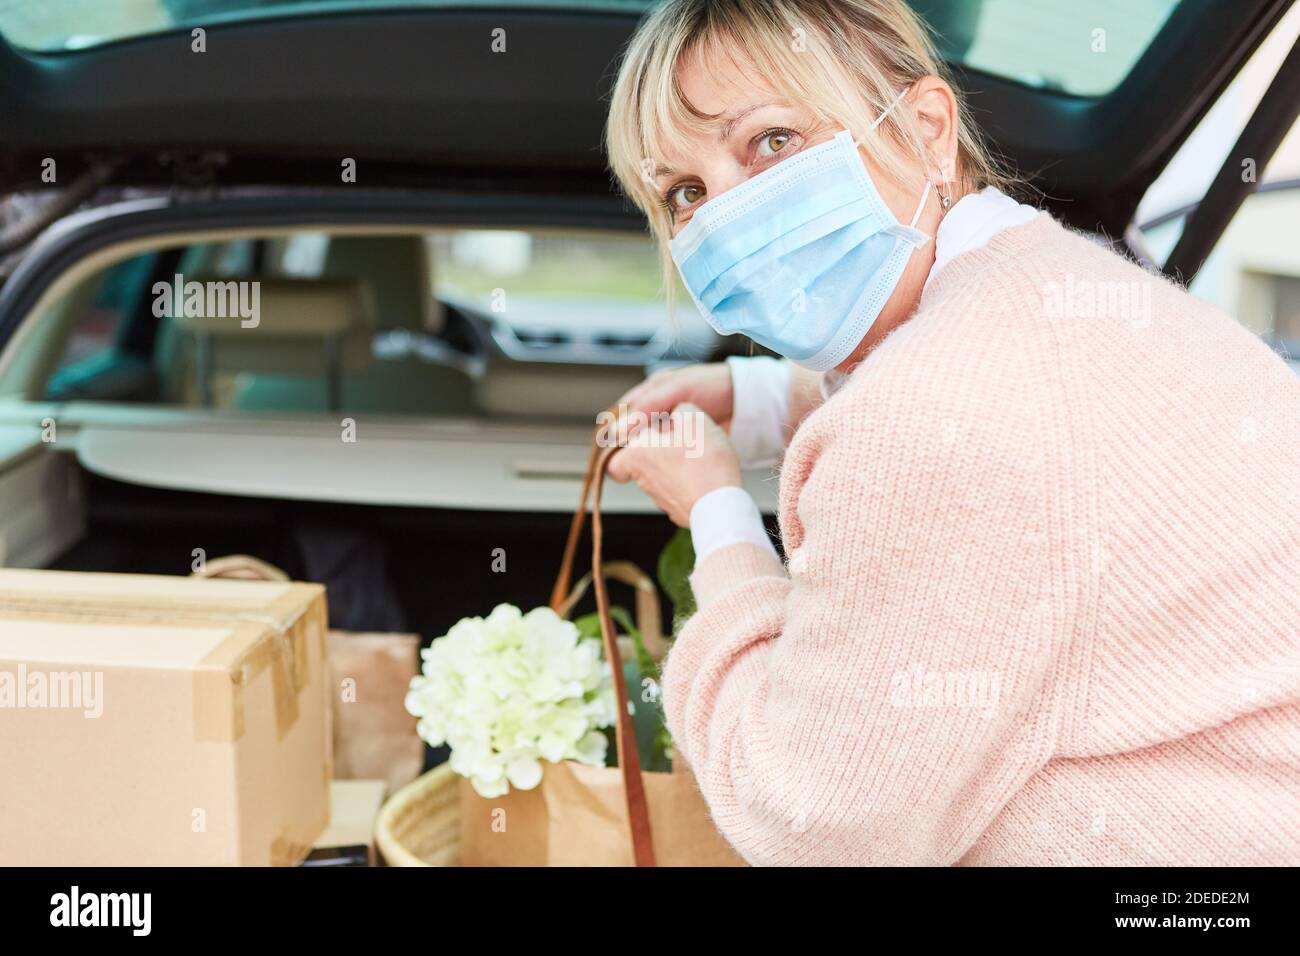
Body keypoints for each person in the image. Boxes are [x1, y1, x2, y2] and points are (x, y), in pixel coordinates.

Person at [602, 0, 1300, 865]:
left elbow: (811, 823)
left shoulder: (936, 418)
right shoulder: (1053, 295)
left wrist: (716, 519)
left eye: (771, 142)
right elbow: (997, 425)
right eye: (685, 193)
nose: (728, 216)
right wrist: (761, 400)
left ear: (929, 128)